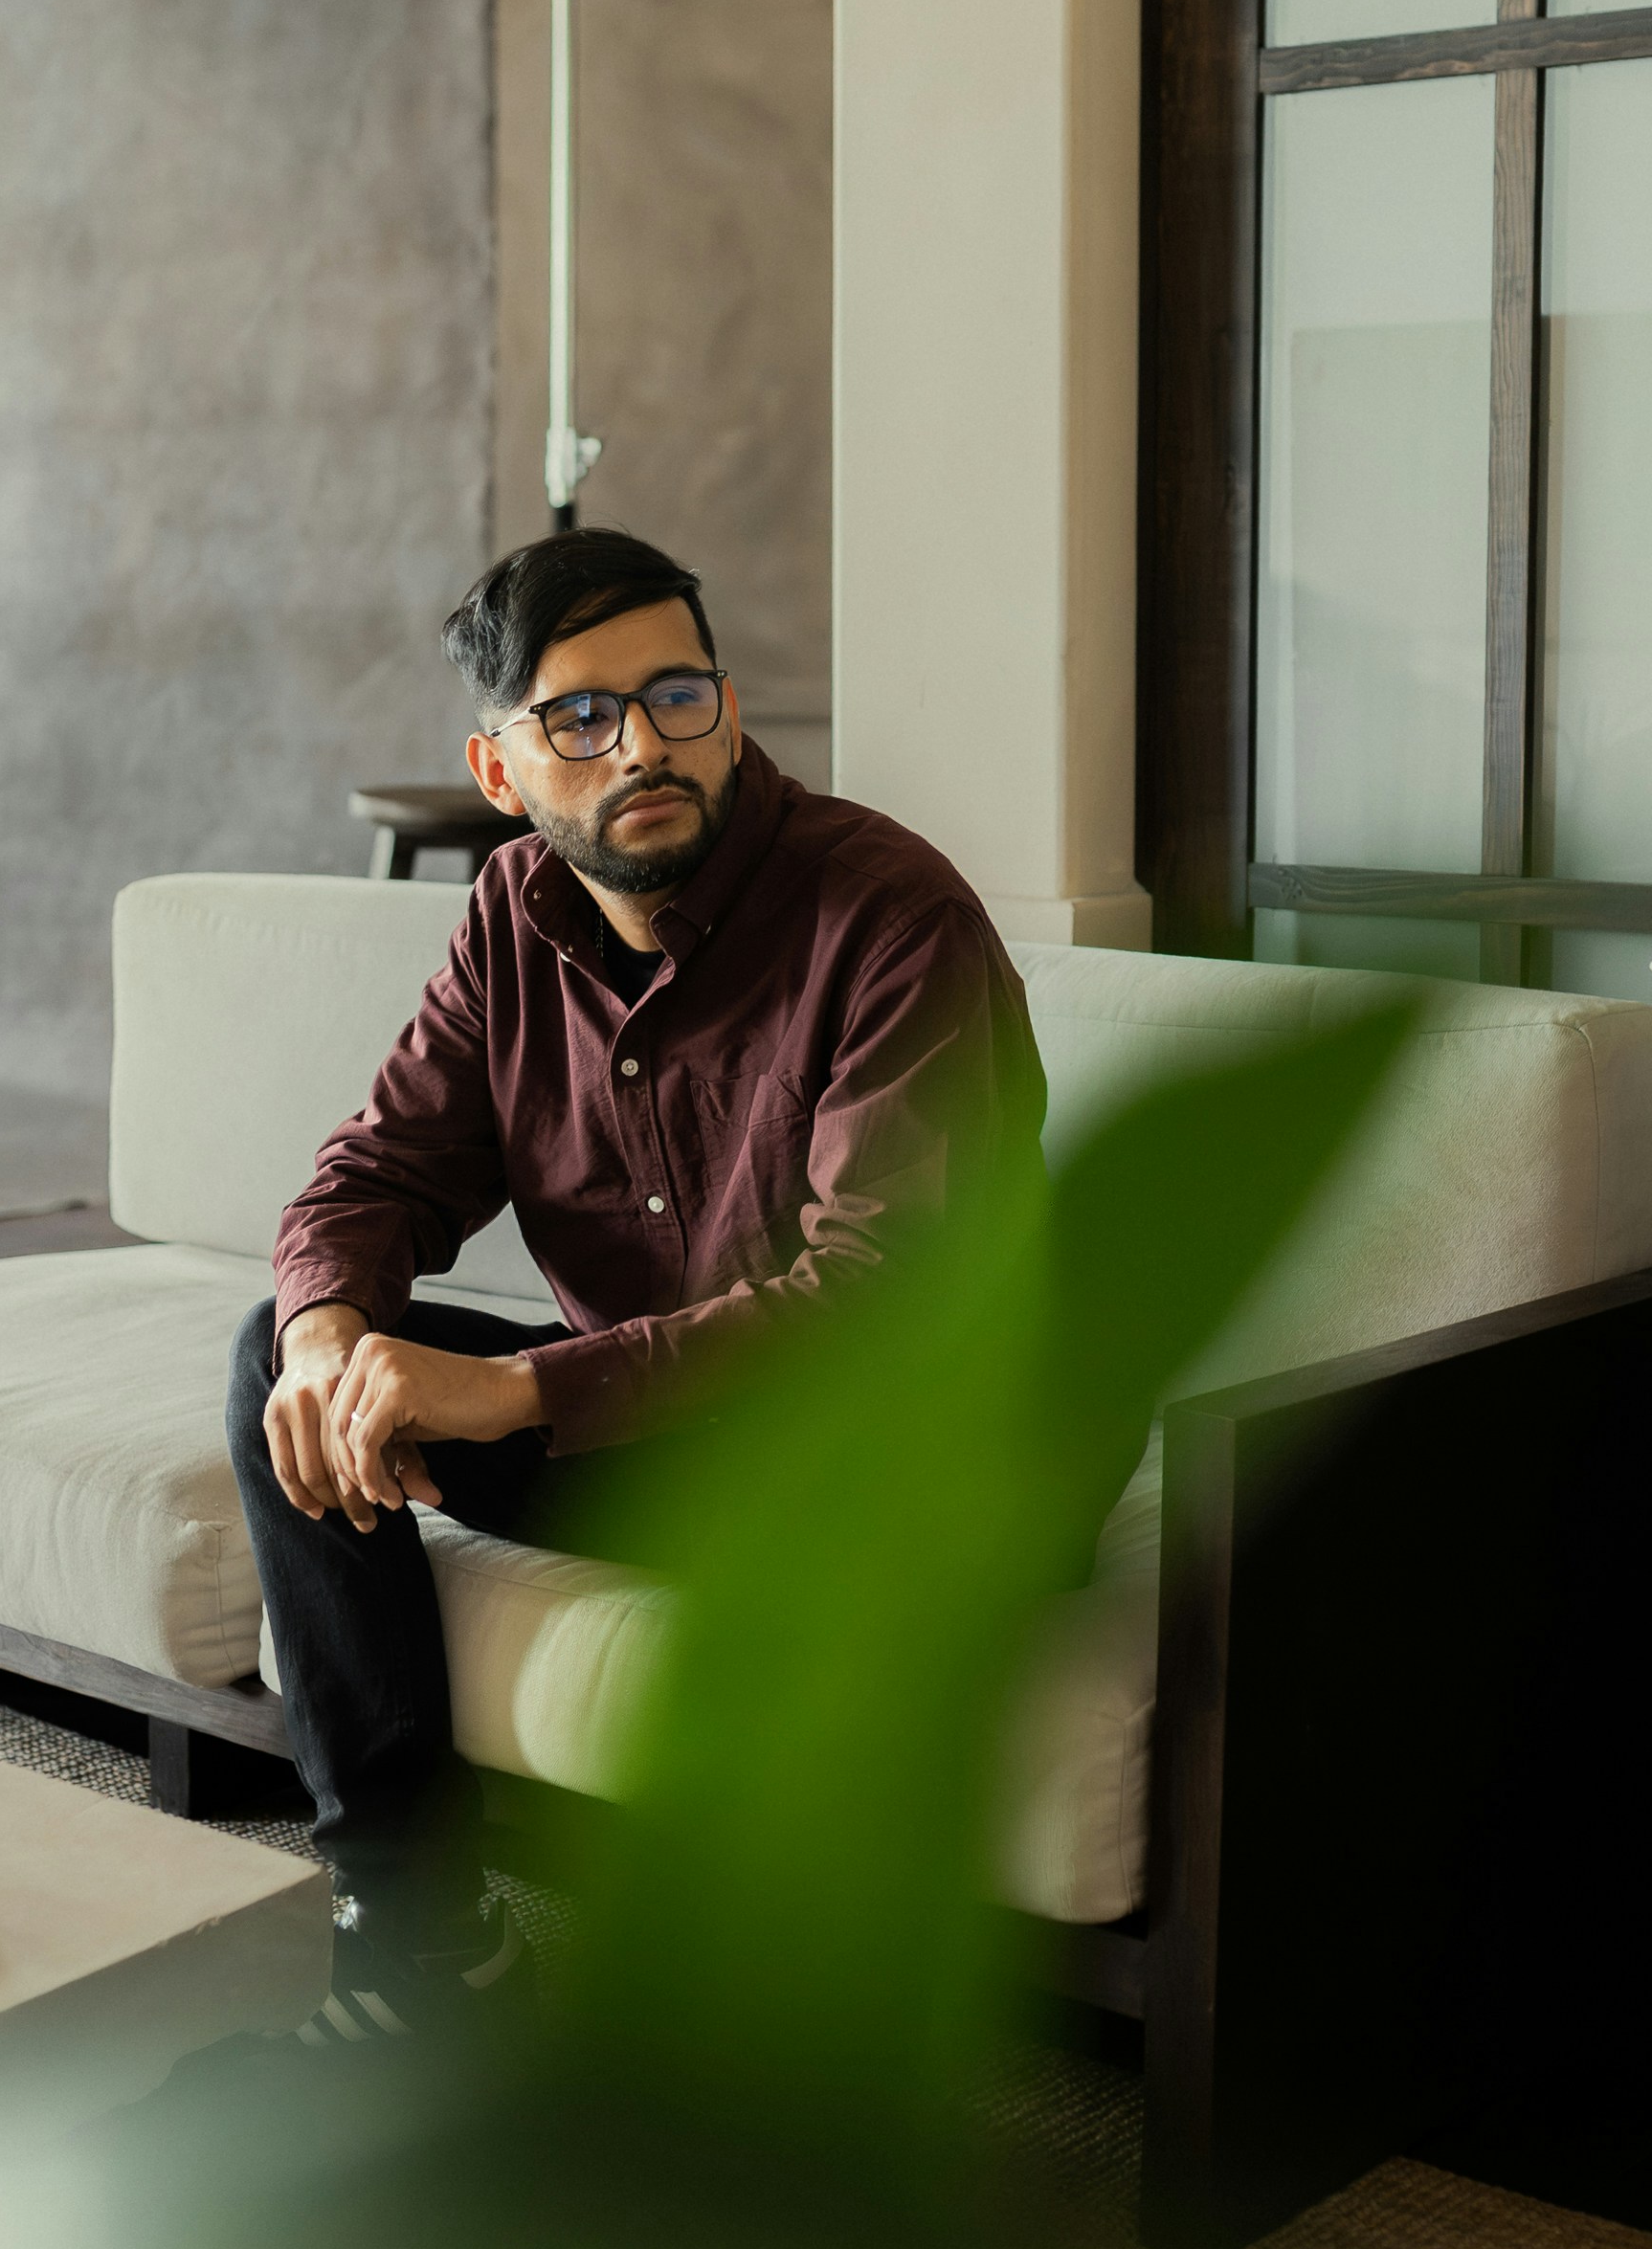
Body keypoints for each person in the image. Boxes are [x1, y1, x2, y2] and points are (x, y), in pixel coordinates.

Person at [227, 527, 1045, 2041]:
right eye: (580, 716)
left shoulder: (886, 914)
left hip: (898, 1478)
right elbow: (374, 1177)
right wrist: (330, 1338)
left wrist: (516, 1387)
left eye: (677, 694)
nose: (642, 746)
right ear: (499, 771)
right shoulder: (513, 917)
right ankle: (417, 1946)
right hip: (670, 1448)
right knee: (284, 1356)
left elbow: (882, 1300)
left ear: (726, 706)